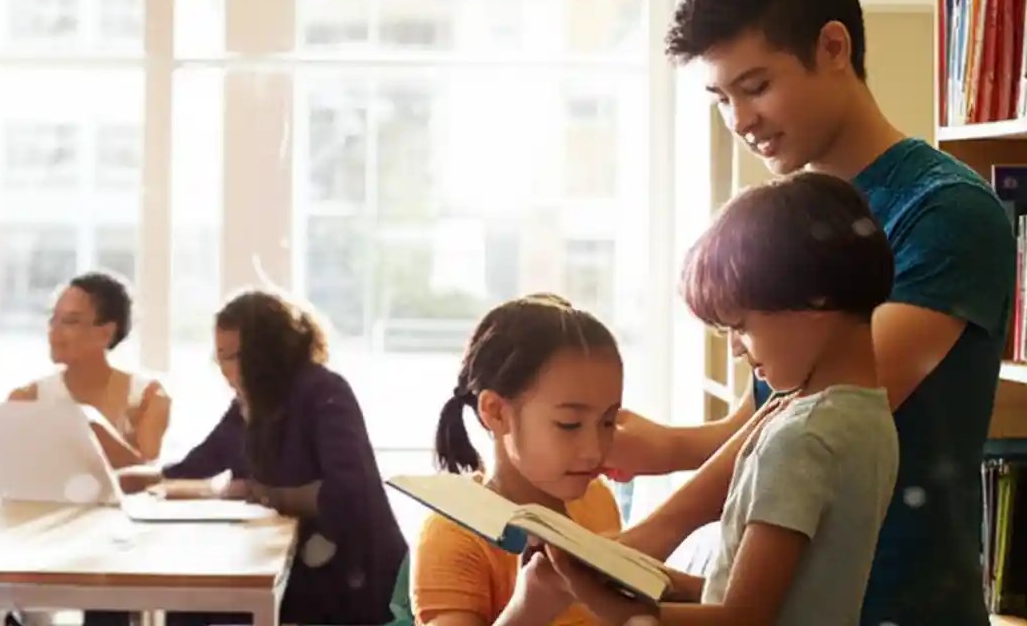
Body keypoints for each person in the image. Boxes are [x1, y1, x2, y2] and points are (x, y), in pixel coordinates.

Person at [604, 0, 1015, 625]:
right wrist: (665, 447)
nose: (741, 121)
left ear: (833, 47)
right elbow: (770, 409)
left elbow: (824, 406)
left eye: (757, 86)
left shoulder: (945, 211)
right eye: (722, 98)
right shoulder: (794, 222)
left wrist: (653, 534)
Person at [526, 171, 900, 626]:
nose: (736, 348)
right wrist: (634, 573)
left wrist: (591, 593)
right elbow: (771, 597)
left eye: (741, 326)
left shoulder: (803, 438)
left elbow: (744, 619)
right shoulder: (867, 416)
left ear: (815, 296)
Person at [125, 289, 406, 626]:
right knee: (188, 602)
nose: (225, 371)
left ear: (266, 354)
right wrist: (132, 479)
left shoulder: (324, 393)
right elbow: (198, 464)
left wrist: (262, 493)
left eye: (232, 357)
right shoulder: (251, 404)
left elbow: (345, 494)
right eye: (220, 358)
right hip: (294, 560)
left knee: (202, 605)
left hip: (348, 575)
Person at [412, 294, 689, 626]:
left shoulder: (596, 498)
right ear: (496, 412)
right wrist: (531, 606)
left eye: (607, 422)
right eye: (569, 424)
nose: (594, 450)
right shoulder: (453, 535)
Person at [7, 271, 170, 469]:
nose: (54, 331)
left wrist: (95, 431)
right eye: (53, 320)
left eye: (70, 321)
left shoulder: (148, 397)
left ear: (106, 333)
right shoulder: (26, 399)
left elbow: (148, 478)